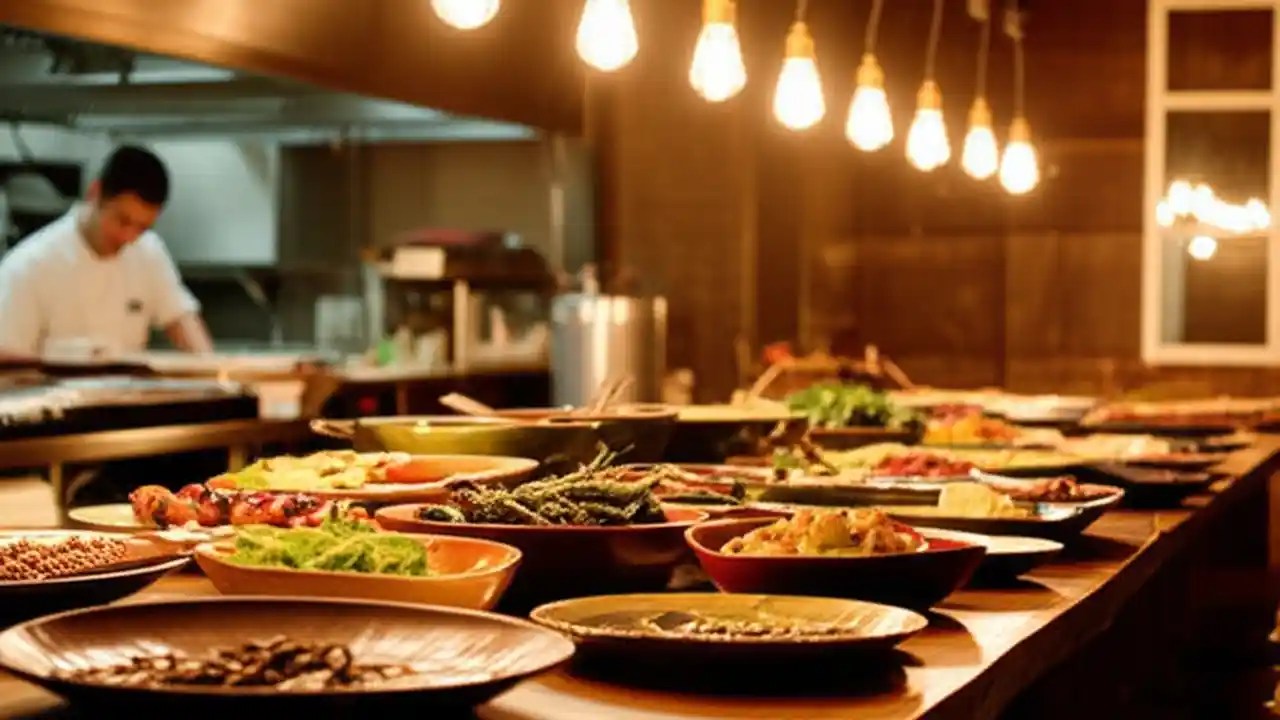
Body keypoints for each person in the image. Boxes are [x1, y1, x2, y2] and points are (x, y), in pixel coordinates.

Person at [0, 145, 213, 357]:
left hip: (131, 389)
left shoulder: (148, 251)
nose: (128, 237)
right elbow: (7, 360)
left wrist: (212, 372)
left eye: (142, 227)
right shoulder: (27, 267)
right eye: (122, 221)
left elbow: (181, 318)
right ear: (95, 193)